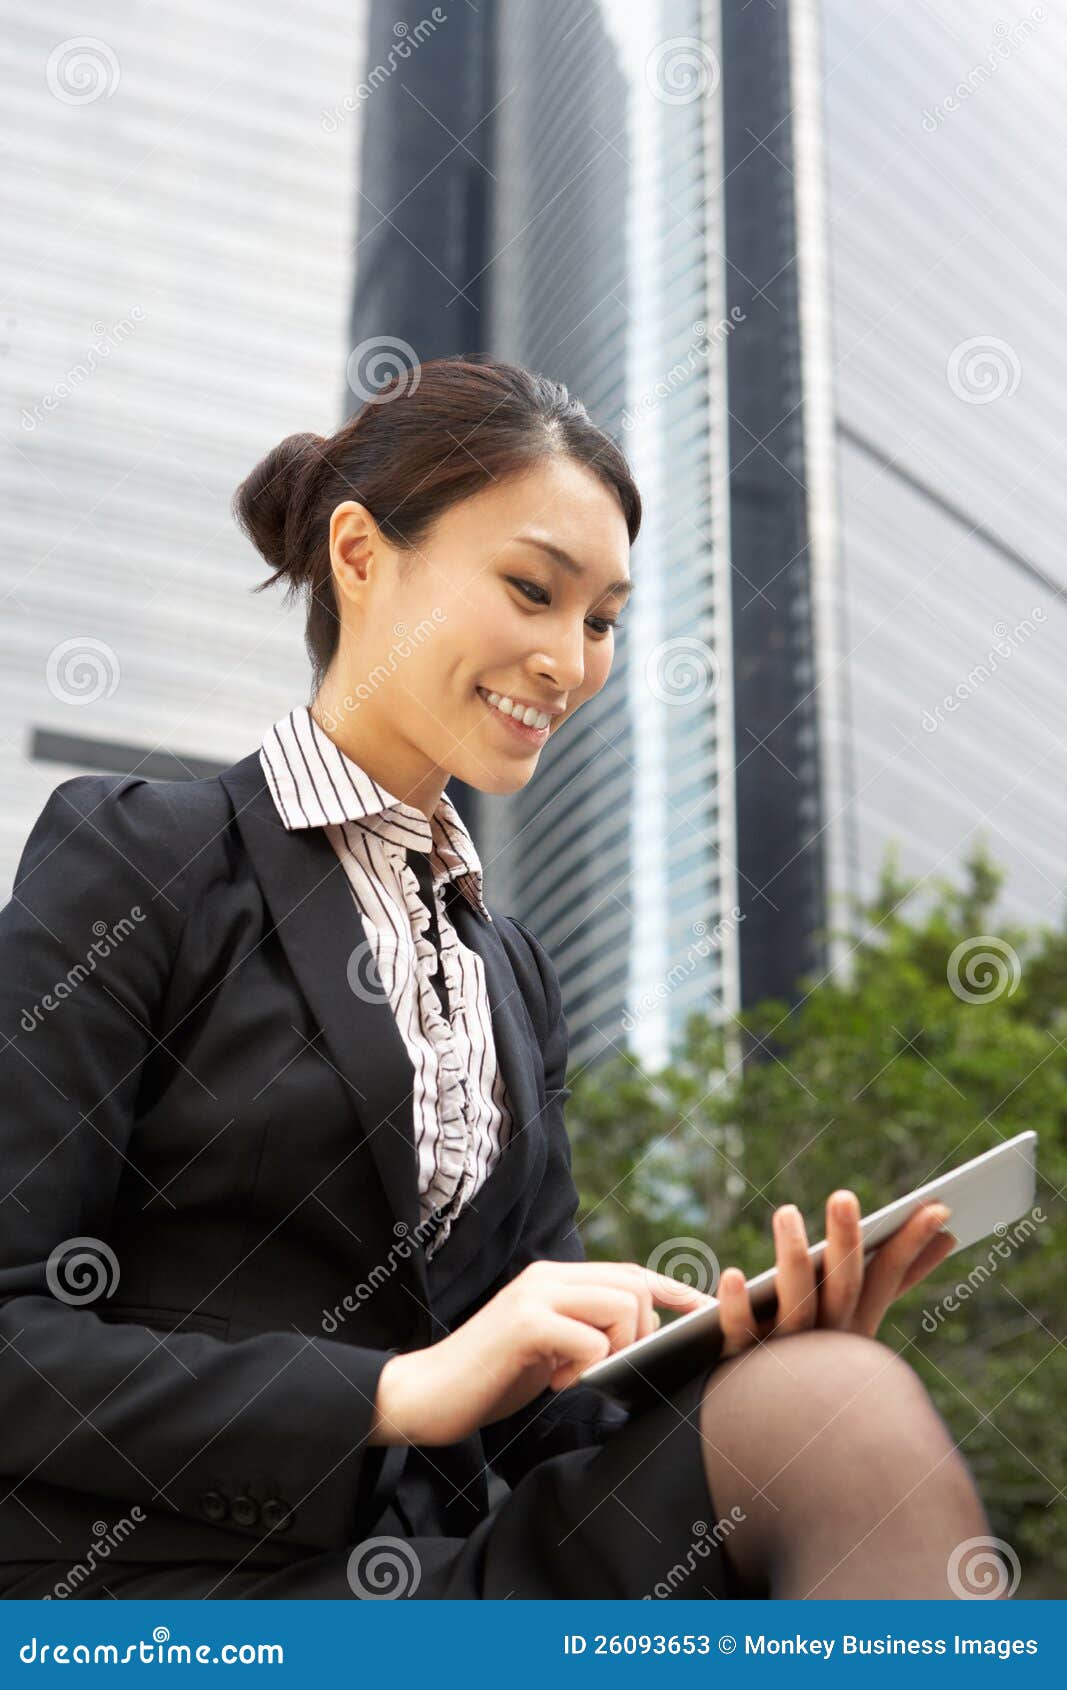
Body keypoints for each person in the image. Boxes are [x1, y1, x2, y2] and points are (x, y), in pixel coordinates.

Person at [0, 356, 993, 1601]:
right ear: (359, 556)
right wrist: (390, 1391)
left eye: (600, 620)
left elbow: (539, 1417)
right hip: (163, 1592)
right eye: (530, 589)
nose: (567, 661)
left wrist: (732, 1364)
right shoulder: (144, 856)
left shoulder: (507, 970)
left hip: (440, 1572)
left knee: (820, 1404)